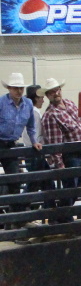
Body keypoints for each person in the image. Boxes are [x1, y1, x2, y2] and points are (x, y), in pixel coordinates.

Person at [0, 72, 41, 217]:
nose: (19, 91)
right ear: (9, 89)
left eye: (21, 88)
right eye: (15, 88)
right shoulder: (1, 102)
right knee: (13, 179)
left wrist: (34, 141)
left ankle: (14, 217)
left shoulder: (28, 104)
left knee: (15, 181)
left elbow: (30, 126)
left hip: (11, 145)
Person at [39, 78, 81, 181]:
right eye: (52, 92)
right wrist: (60, 166)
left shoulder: (70, 103)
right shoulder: (50, 115)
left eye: (57, 90)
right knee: (72, 186)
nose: (56, 93)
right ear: (47, 95)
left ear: (60, 90)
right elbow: (55, 144)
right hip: (70, 156)